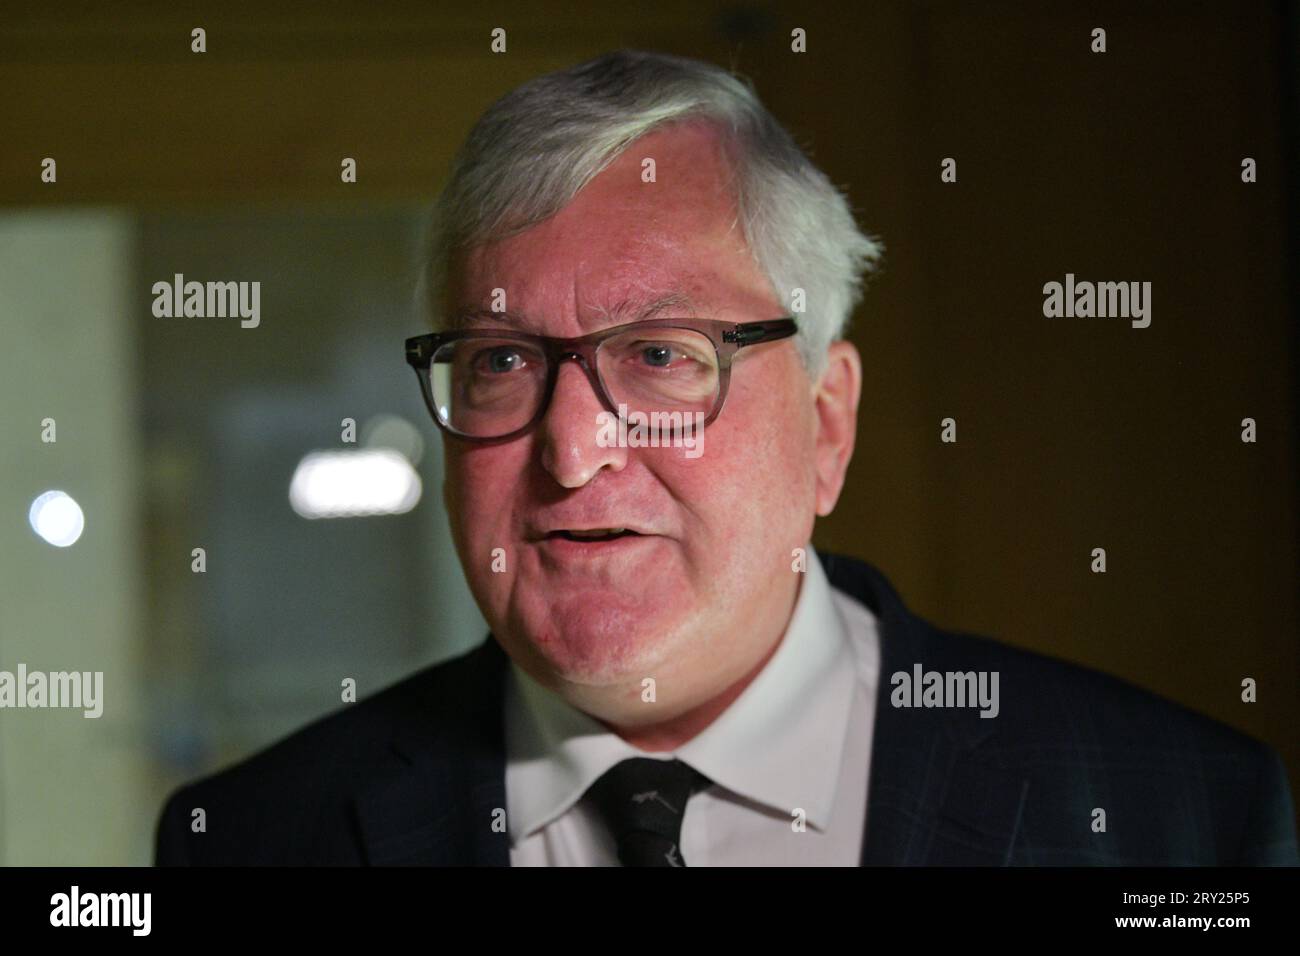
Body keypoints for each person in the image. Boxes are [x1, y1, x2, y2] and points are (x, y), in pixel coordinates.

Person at [155, 49, 1297, 866]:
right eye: (501, 359)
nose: (570, 445)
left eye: (660, 352)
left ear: (825, 424)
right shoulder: (256, 837)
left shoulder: (1182, 817)